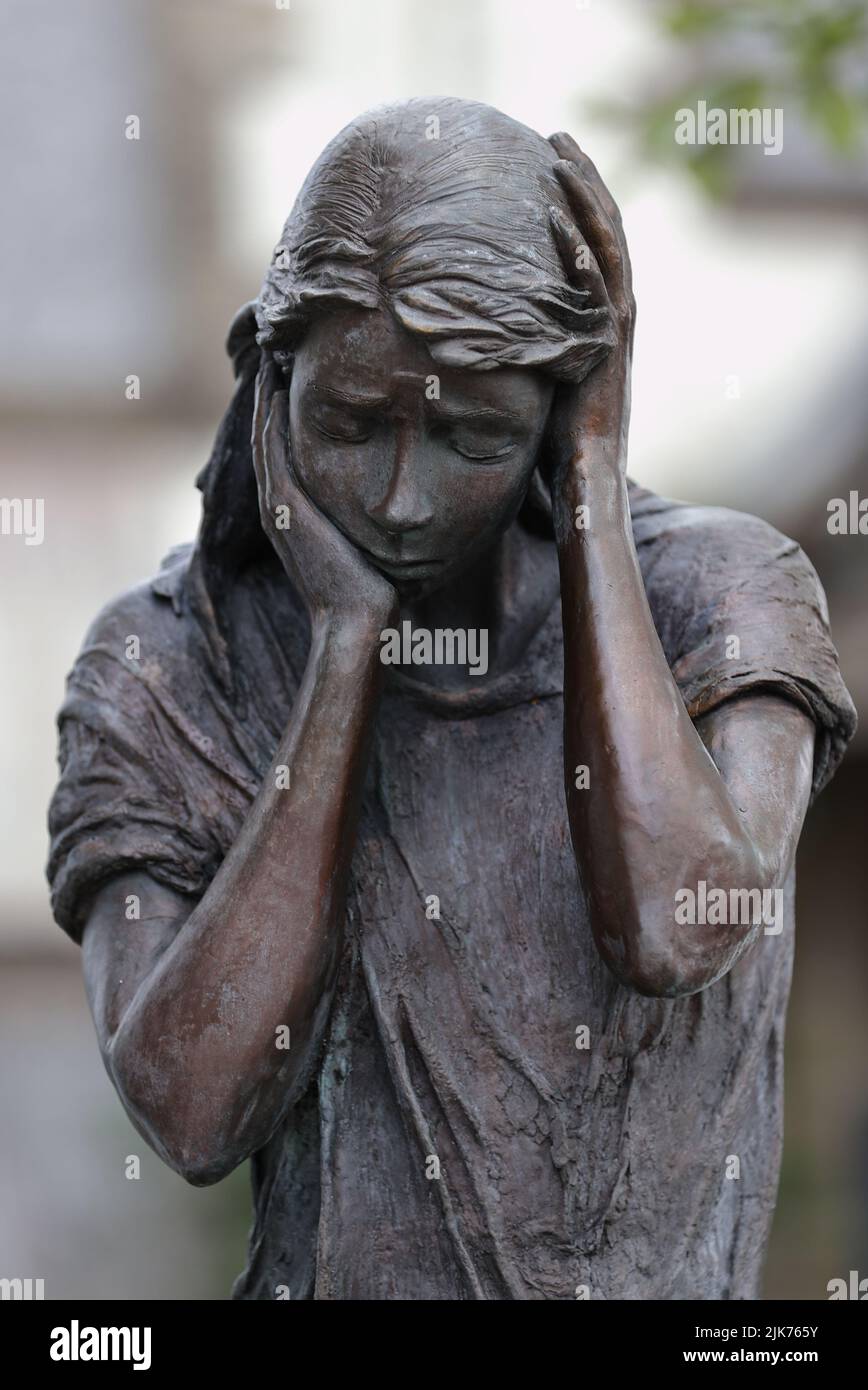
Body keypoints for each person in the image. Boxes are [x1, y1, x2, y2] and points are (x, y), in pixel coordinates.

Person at [47, 97, 856, 1300]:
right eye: (348, 422)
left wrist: (590, 487)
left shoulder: (717, 597)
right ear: (272, 384)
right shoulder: (168, 659)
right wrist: (343, 649)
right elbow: (194, 1109)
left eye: (474, 438)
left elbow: (674, 925)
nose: (401, 499)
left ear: (563, 408)